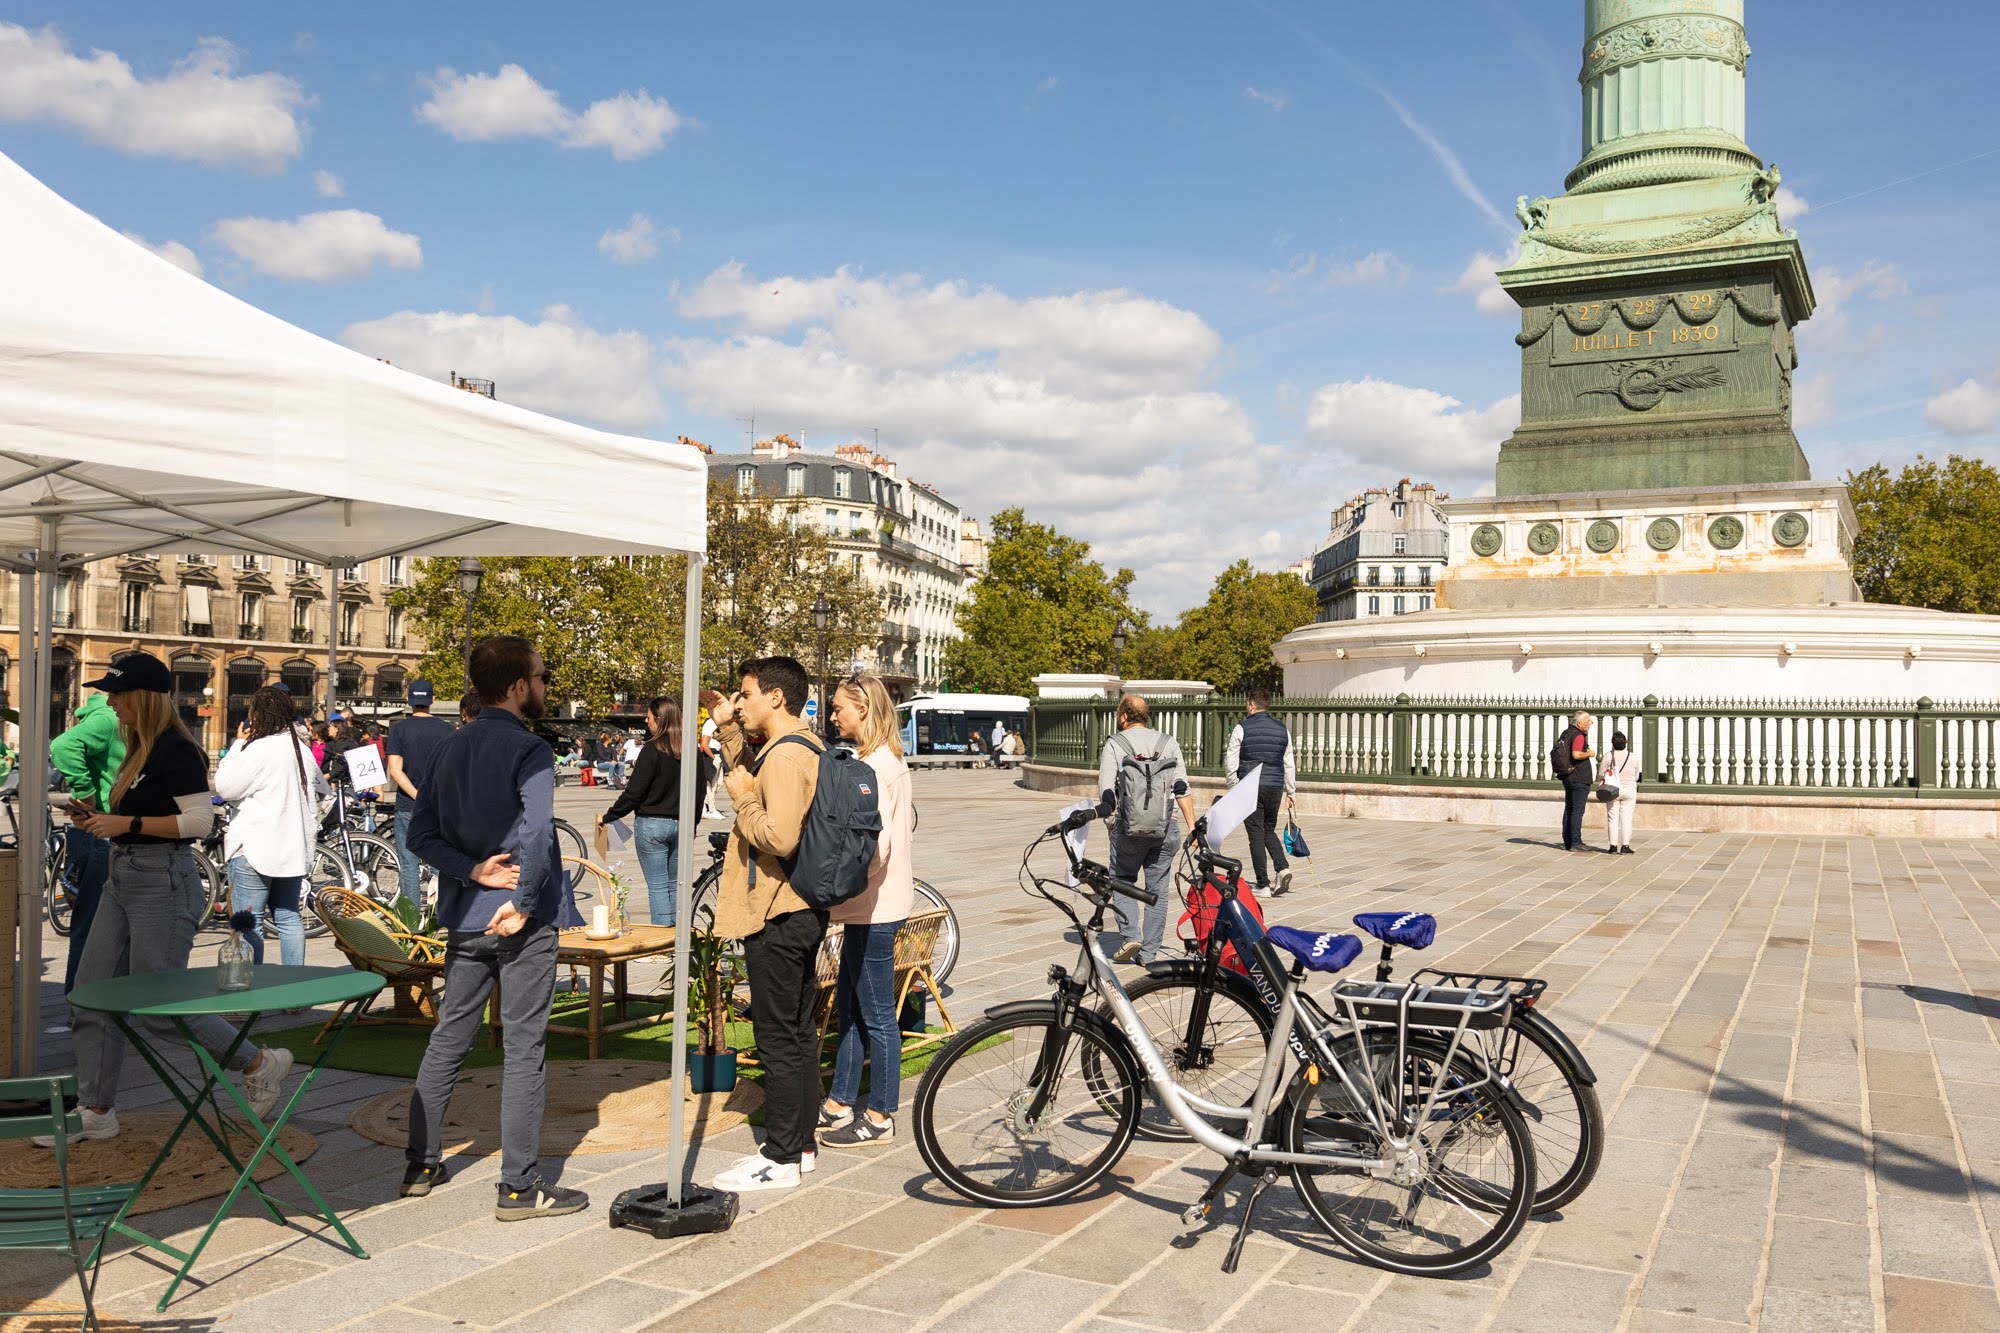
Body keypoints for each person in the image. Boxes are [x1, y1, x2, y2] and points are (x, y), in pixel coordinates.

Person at [43, 653, 296, 1146]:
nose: (110, 702)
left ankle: (259, 1063)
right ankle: (96, 1108)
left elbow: (200, 824)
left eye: (117, 693)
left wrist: (126, 823)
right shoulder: (138, 746)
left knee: (159, 1005)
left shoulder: (176, 749)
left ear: (143, 697)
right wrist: (96, 818)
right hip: (125, 873)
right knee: (89, 995)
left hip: (163, 881)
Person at [401, 635, 586, 1220]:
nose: (545, 684)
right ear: (516, 686)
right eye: (541, 675)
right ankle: (518, 1187)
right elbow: (535, 832)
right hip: (518, 917)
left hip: (468, 915)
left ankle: (421, 1163)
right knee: (524, 1046)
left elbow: (419, 835)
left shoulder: (449, 748)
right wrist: (526, 901)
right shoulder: (528, 750)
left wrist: (470, 870)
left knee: (450, 1035)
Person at [708, 656, 828, 1191]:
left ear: (776, 697)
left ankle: (780, 1156)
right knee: (799, 1033)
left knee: (777, 1037)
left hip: (777, 910)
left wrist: (741, 804)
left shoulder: (783, 759)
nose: (740, 702)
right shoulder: (803, 745)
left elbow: (779, 837)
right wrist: (731, 729)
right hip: (801, 906)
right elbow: (750, 770)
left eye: (747, 694)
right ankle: (800, 1144)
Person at [819, 674, 914, 1149]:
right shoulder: (881, 762)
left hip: (873, 905)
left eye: (839, 707)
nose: (833, 714)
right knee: (852, 1007)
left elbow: (874, 848)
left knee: (875, 1013)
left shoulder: (875, 768)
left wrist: (839, 888)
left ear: (864, 709)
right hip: (870, 904)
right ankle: (839, 1099)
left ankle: (879, 1113)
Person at [213, 686, 327, 967]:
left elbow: (226, 787)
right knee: (289, 917)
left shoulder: (256, 749)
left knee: (249, 923)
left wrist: (239, 744)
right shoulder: (301, 750)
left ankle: (254, 991)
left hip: (255, 847)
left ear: (256, 715)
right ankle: (294, 991)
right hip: (292, 849)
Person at [597, 696, 713, 928]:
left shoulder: (652, 750)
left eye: (648, 717)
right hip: (682, 824)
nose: (646, 721)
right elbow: (701, 790)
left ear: (659, 719)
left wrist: (609, 816)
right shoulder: (690, 749)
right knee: (675, 884)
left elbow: (634, 792)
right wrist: (693, 823)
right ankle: (677, 941)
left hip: (652, 824)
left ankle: (661, 940)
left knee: (658, 886)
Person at [1096, 695, 1195, 964]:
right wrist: (1192, 825)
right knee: (1158, 890)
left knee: (1122, 879)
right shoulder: (1168, 742)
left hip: (1128, 827)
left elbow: (1106, 788)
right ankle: (1150, 953)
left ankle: (1130, 937)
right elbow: (1181, 786)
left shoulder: (1115, 743)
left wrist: (1111, 823)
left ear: (1123, 716)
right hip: (1166, 827)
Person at [50, 687, 124, 1000]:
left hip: (99, 830)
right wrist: (86, 789)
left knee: (96, 923)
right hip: (102, 830)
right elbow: (63, 745)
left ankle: (84, 1001)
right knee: (91, 925)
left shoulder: (102, 715)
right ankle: (79, 1003)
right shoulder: (109, 717)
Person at [1222, 688, 1298, 895]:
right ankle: (1282, 868)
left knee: (1255, 834)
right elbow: (1288, 762)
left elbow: (1231, 759)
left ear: (1252, 705)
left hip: (1250, 785)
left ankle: (1262, 884)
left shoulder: (1242, 728)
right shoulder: (1283, 730)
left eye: (1248, 704)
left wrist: (1233, 784)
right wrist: (1290, 791)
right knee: (1267, 830)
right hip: (1274, 786)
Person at [386, 679, 454, 907]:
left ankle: (412, 921)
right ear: (432, 700)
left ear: (409, 701)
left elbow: (395, 770)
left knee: (408, 864)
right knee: (438, 861)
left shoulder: (399, 730)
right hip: (438, 805)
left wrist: (417, 795)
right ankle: (439, 915)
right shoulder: (446, 729)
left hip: (407, 805)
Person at [1554, 710, 1596, 852]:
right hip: (1579, 777)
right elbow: (1576, 754)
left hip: (1568, 776)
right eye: (1588, 721)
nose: (1590, 723)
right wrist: (1589, 754)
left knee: (1569, 809)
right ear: (1579, 723)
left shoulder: (1566, 733)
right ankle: (1576, 842)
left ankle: (1567, 840)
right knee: (1577, 810)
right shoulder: (1578, 736)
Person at [1602, 731, 1640, 855]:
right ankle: (1625, 846)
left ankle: (1613, 846)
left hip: (1613, 789)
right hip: (1629, 789)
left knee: (1612, 818)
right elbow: (1636, 775)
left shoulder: (1608, 756)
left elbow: (1601, 773)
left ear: (1613, 744)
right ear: (1626, 742)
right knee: (1626, 819)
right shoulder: (1633, 756)